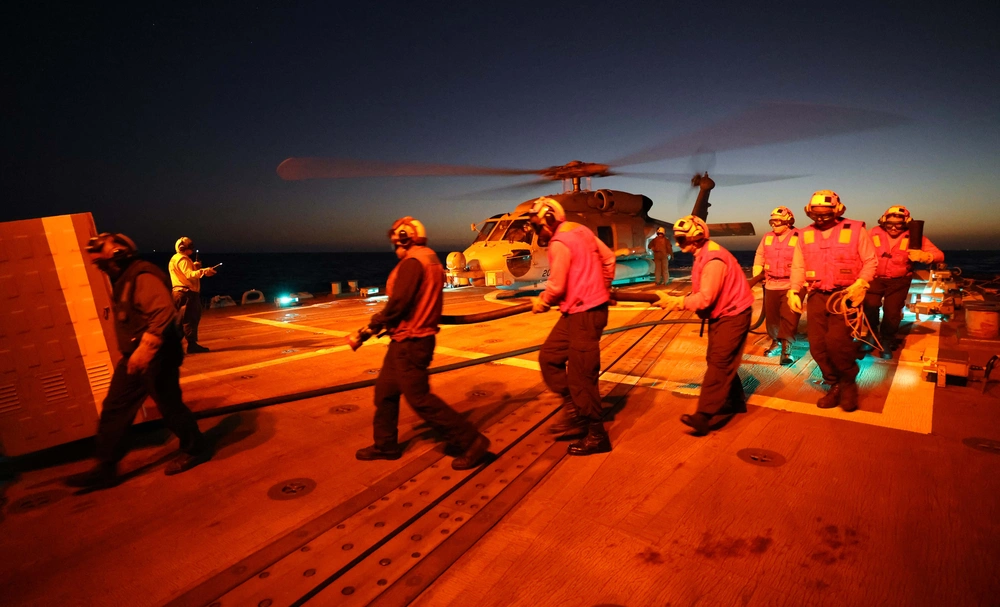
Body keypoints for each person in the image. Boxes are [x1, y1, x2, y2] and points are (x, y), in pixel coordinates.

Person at [66, 233, 210, 489]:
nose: (100, 265)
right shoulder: (123, 278)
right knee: (115, 408)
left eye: (103, 258)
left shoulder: (142, 274)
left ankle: (195, 448)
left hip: (157, 355)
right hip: (135, 356)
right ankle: (106, 468)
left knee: (170, 407)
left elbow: (163, 313)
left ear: (119, 253)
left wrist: (146, 349)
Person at [352, 217, 490, 470]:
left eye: (397, 238)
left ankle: (471, 442)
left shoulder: (413, 263)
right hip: (403, 340)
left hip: (412, 341)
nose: (394, 244)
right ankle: (386, 445)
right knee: (385, 392)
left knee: (420, 399)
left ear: (405, 237)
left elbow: (399, 303)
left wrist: (371, 326)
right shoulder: (429, 258)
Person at [527, 197, 616, 455]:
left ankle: (597, 436)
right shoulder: (580, 230)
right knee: (550, 357)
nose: (536, 232)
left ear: (550, 220)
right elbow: (608, 258)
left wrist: (542, 301)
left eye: (537, 226)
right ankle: (575, 410)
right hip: (577, 312)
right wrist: (605, 285)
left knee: (582, 379)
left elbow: (556, 286)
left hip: (585, 315)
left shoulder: (559, 242)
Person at [654, 216, 754, 436]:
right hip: (724, 312)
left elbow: (706, 298)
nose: (680, 245)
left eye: (682, 240)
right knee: (719, 359)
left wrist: (677, 302)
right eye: (678, 240)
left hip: (733, 313)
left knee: (719, 361)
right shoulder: (703, 253)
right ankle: (736, 400)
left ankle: (704, 415)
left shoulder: (713, 260)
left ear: (697, 239)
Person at [788, 190, 877, 412]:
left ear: (837, 211)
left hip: (844, 296)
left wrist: (861, 284)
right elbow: (799, 266)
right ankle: (833, 382)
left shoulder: (856, 230)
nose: (820, 219)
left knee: (838, 344)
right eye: (816, 215)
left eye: (826, 214)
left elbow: (870, 261)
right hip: (817, 295)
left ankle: (847, 383)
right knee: (818, 347)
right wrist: (793, 290)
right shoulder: (804, 234)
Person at [863, 205, 944, 359]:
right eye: (890, 224)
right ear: (883, 222)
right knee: (870, 306)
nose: (893, 227)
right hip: (874, 278)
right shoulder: (873, 233)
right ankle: (871, 335)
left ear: (906, 223)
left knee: (892, 312)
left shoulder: (914, 236)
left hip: (899, 281)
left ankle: (887, 340)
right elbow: (859, 249)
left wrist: (925, 257)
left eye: (898, 224)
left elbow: (939, 255)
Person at [752, 206, 802, 366]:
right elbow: (760, 255)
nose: (774, 225)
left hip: (791, 285)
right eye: (772, 222)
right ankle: (776, 341)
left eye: (777, 222)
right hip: (771, 284)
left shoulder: (799, 236)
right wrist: (757, 273)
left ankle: (786, 347)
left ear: (788, 222)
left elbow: (806, 259)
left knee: (790, 317)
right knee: (772, 318)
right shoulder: (767, 237)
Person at [168, 236, 216, 354]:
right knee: (191, 319)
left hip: (178, 293)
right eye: (191, 247)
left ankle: (172, 347)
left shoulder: (175, 258)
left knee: (179, 320)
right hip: (187, 294)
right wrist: (204, 271)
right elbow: (189, 275)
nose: (192, 249)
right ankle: (192, 345)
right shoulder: (183, 259)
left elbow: (184, 273)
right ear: (183, 247)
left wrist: (195, 267)